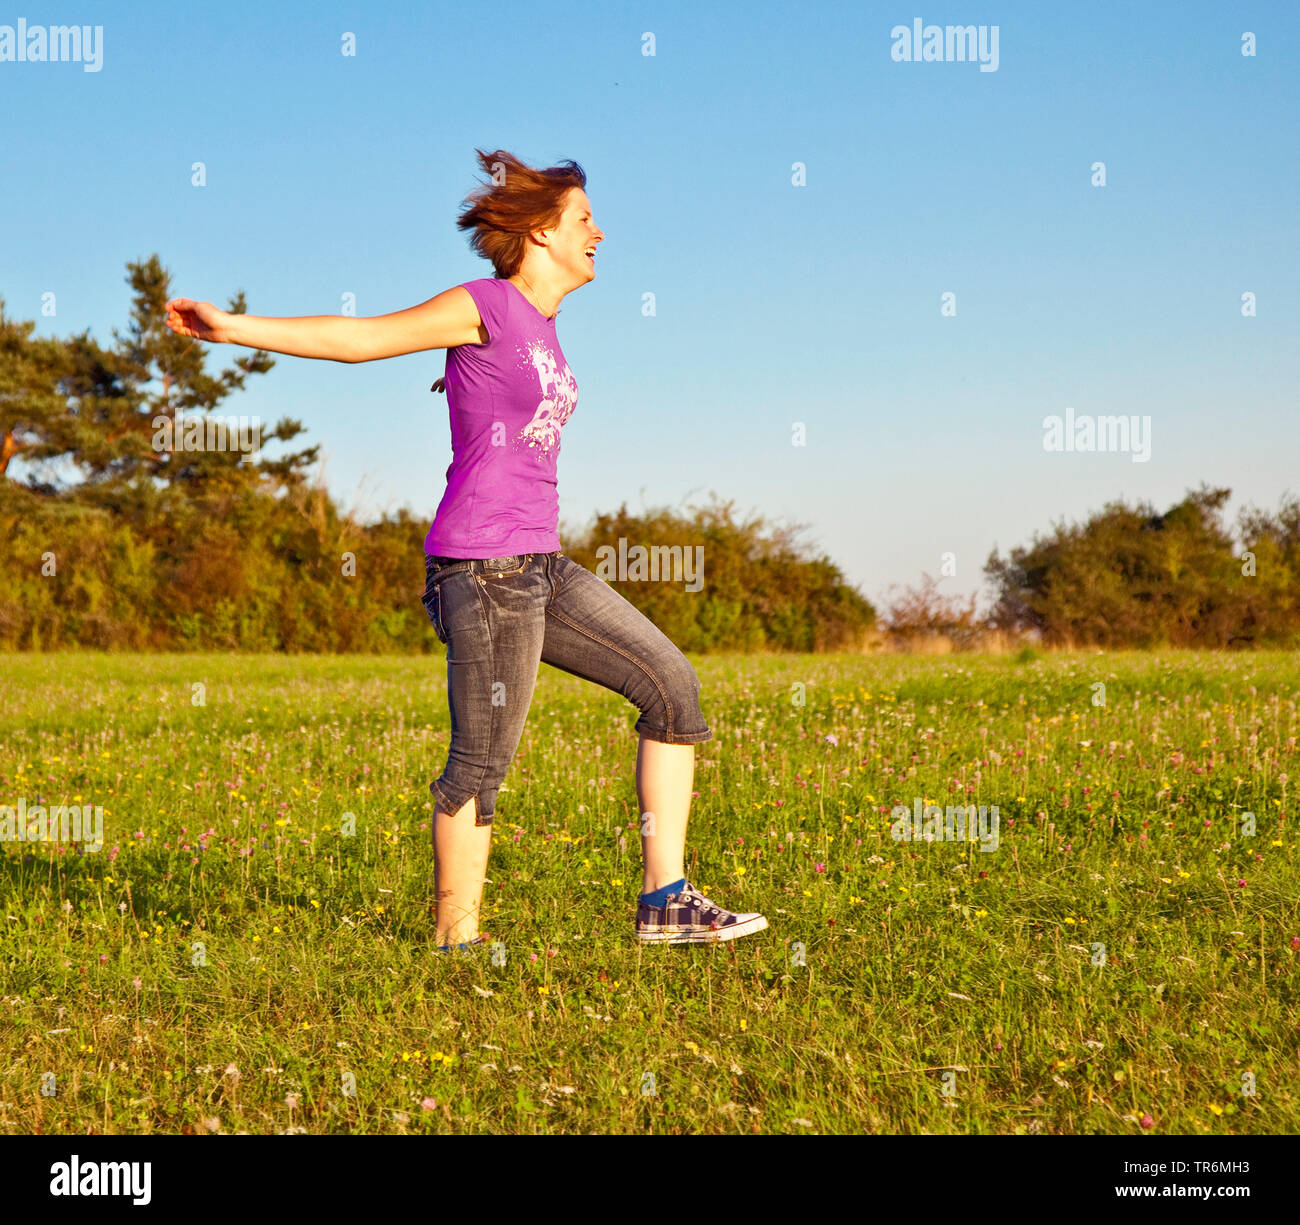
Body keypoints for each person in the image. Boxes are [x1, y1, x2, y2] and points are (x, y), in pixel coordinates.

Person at [163, 147, 768, 952]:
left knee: (672, 689)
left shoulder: (546, 331)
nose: (600, 232)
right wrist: (235, 328)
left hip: (542, 565)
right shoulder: (484, 304)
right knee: (481, 764)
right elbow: (359, 339)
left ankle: (665, 901)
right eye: (585, 219)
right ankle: (456, 944)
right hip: (481, 571)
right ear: (542, 233)